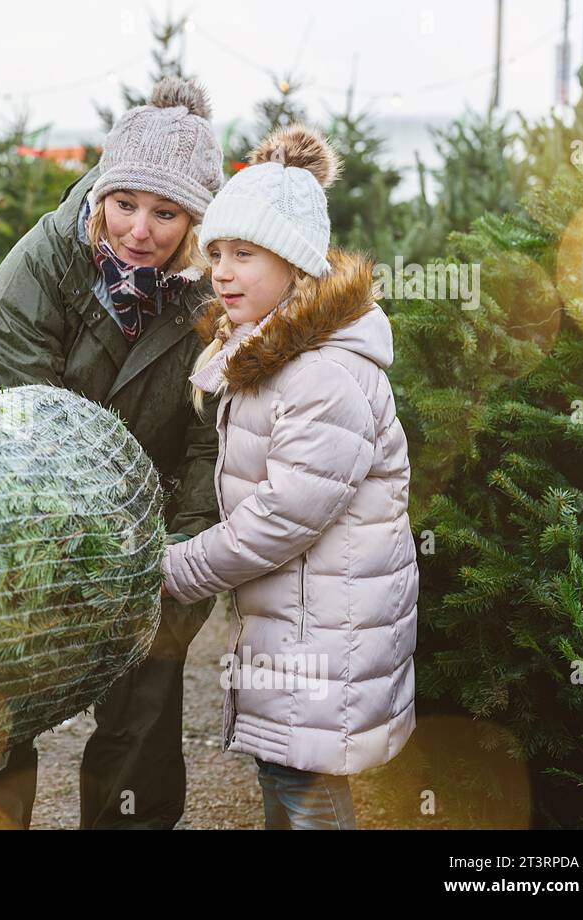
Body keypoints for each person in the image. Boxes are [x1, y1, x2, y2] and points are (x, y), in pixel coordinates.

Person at [0, 75, 226, 829]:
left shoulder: (213, 294)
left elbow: (209, 438)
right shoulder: (39, 269)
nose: (139, 229)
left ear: (195, 219)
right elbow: (21, 428)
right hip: (20, 515)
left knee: (142, 719)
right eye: (125, 203)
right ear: (101, 193)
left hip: (147, 533)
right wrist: (62, 567)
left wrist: (183, 559)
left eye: (166, 213)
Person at [161, 123, 419, 830]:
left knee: (306, 792)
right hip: (300, 623)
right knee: (285, 777)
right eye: (215, 253)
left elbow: (284, 515)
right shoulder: (274, 356)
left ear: (296, 263)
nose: (221, 271)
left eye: (244, 254)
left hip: (324, 629)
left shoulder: (323, 374)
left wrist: (177, 568)